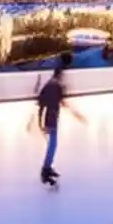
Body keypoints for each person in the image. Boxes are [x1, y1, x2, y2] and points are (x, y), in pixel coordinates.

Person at [36, 56, 83, 187]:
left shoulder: (51, 84)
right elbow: (57, 102)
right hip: (50, 117)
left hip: (50, 116)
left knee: (53, 144)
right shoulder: (55, 85)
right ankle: (45, 169)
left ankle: (47, 167)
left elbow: (42, 102)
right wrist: (76, 114)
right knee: (53, 144)